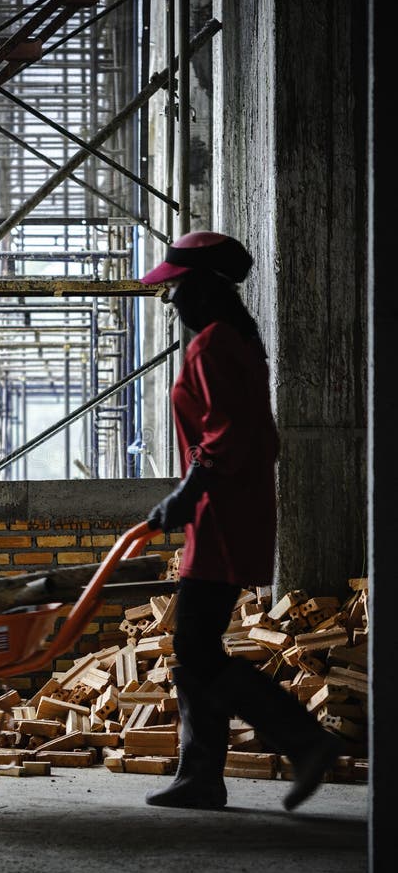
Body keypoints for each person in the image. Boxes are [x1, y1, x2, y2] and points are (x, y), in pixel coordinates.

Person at [142, 230, 341, 811]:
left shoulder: (212, 346)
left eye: (176, 288)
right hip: (227, 511)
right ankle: (201, 776)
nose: (170, 298)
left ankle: (302, 741)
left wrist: (186, 494)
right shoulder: (237, 342)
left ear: (203, 288)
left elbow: (227, 435)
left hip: (222, 516)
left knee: (195, 645)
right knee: (195, 646)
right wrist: (190, 496)